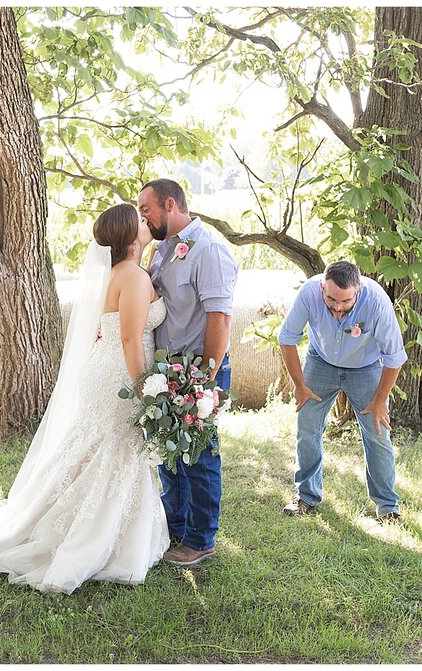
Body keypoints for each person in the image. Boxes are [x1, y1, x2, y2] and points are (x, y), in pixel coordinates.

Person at [0, 203, 169, 594]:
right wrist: (147, 389)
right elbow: (130, 338)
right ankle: (91, 541)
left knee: (98, 449)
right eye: (141, 222)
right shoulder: (132, 276)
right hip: (122, 375)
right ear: (131, 238)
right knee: (113, 449)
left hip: (107, 370)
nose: (147, 225)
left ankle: (97, 526)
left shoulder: (116, 273)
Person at [139, 178, 238, 566]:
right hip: (168, 370)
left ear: (169, 204)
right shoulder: (162, 248)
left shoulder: (209, 250)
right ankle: (175, 528)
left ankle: (200, 539)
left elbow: (220, 318)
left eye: (146, 209)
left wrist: (206, 380)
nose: (142, 216)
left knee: (199, 456)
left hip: (200, 368)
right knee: (169, 457)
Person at [277, 260, 407, 523]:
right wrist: (300, 386)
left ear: (358, 290)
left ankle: (387, 506)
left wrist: (380, 401)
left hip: (366, 366)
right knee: (308, 428)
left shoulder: (377, 302)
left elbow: (394, 357)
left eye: (345, 302)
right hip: (321, 361)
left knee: (377, 431)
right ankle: (306, 495)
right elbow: (287, 338)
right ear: (322, 286)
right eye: (331, 299)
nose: (337, 308)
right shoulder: (309, 293)